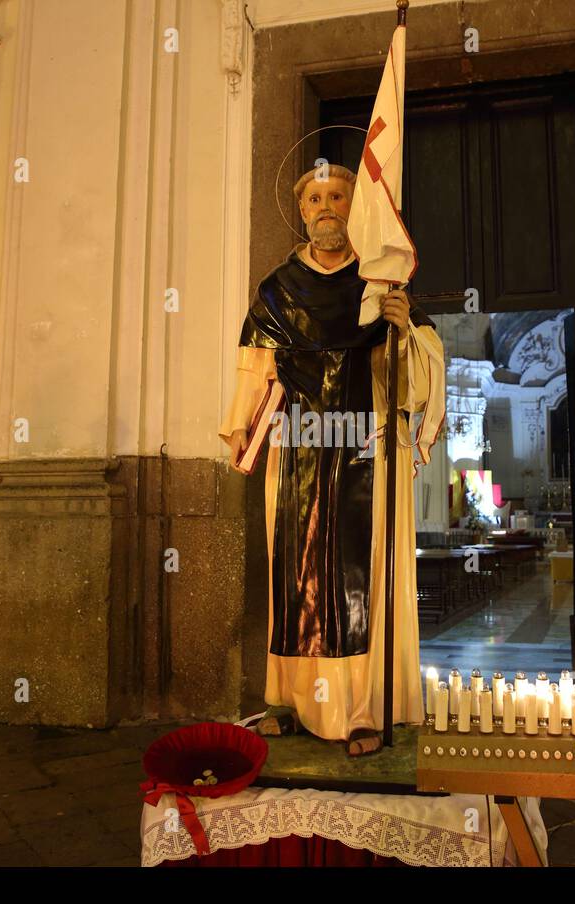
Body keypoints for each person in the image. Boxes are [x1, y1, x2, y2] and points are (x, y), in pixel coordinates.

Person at [219, 164, 446, 756]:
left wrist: (403, 333)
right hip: (298, 450)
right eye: (315, 198)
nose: (326, 207)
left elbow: (420, 369)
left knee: (362, 575)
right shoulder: (276, 290)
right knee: (297, 572)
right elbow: (257, 368)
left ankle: (368, 708)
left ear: (354, 206)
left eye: (338, 196)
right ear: (301, 211)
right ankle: (297, 703)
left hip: (367, 446)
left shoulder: (379, 284)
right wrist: (241, 425)